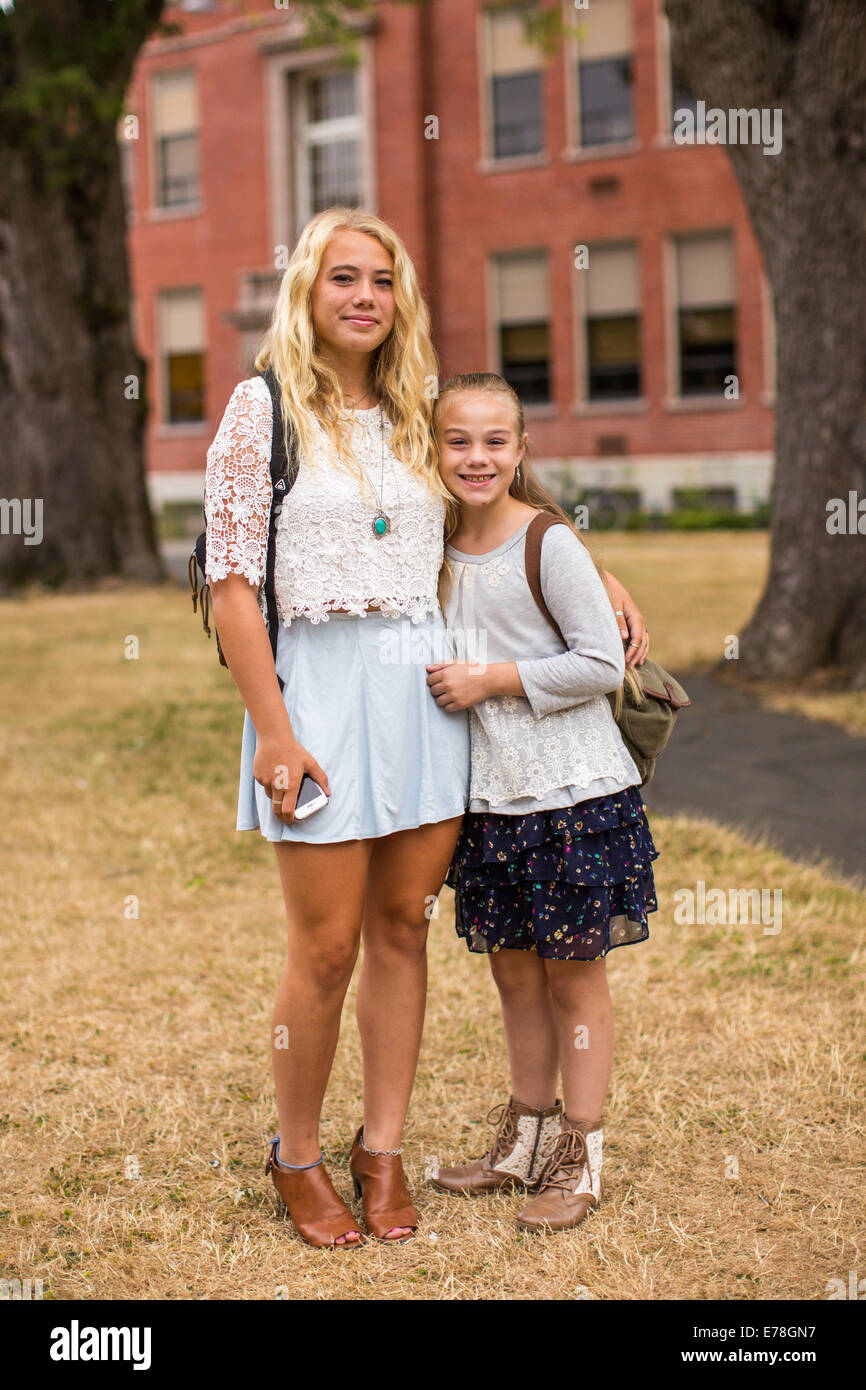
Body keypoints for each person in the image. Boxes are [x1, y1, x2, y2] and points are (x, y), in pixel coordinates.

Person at [204, 207, 649, 1250]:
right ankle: (299, 1155)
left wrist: (592, 566)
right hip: (309, 695)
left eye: (382, 280)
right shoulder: (257, 410)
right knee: (322, 948)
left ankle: (383, 1150)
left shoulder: (417, 408)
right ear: (307, 292)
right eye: (341, 278)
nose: (363, 296)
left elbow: (489, 489)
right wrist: (272, 730)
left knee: (402, 927)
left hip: (421, 696)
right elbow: (230, 582)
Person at [425, 372, 659, 1233]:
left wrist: (492, 679)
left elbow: (601, 663)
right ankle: (523, 1140)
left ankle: (582, 1156)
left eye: (495, 441)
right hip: (490, 803)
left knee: (573, 980)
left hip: (570, 798)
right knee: (514, 976)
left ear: (522, 451)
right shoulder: (435, 544)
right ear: (435, 450)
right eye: (458, 441)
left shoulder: (547, 542)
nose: (476, 457)